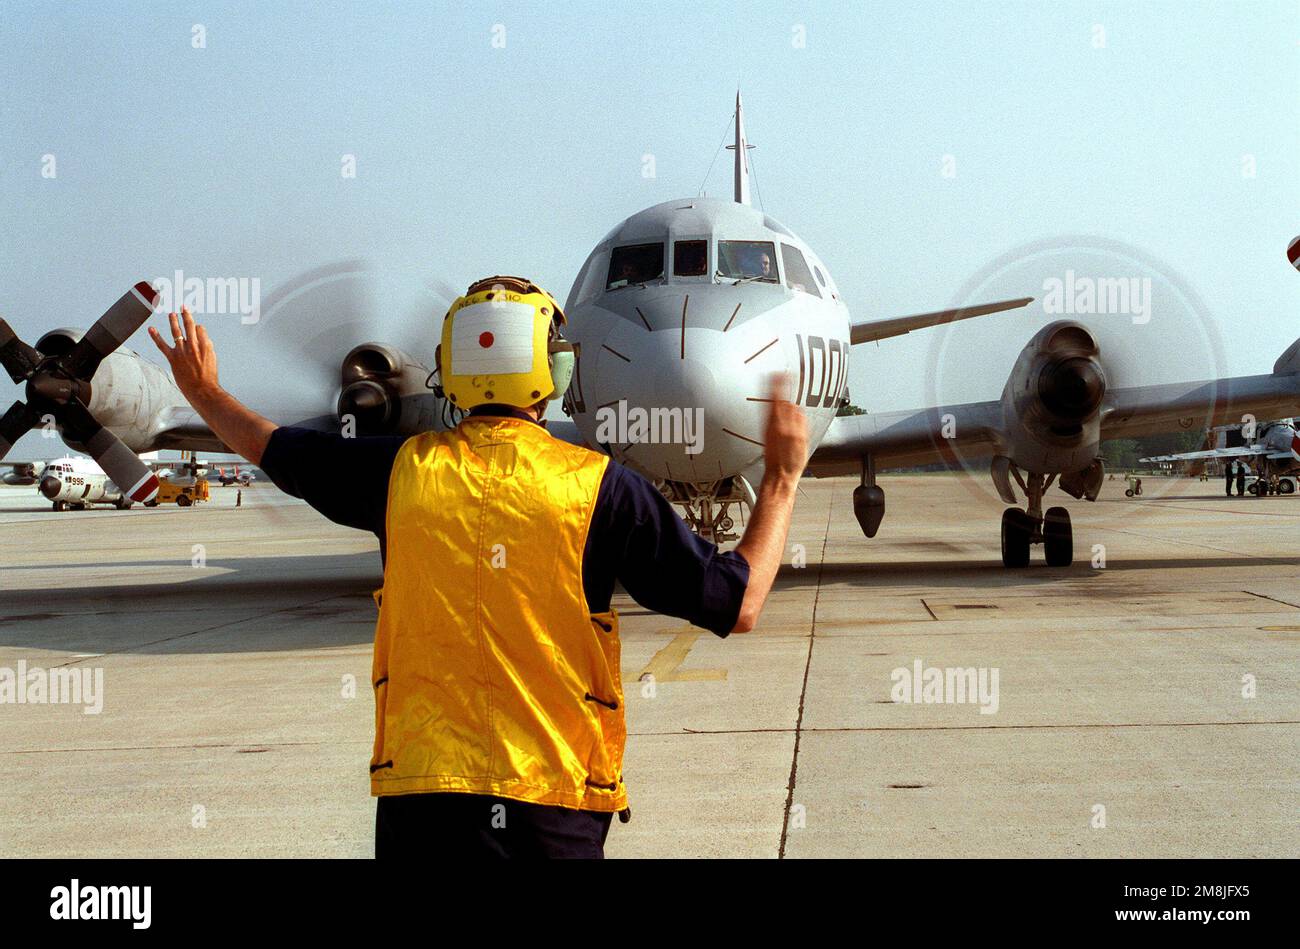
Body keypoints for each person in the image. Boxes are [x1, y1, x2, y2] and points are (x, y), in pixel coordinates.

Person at [149, 276, 807, 859]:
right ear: (552, 369)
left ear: (450, 369)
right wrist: (780, 478)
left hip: (421, 805)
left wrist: (205, 390)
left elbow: (275, 450)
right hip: (552, 804)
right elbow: (736, 600)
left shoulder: (396, 470)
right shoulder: (602, 488)